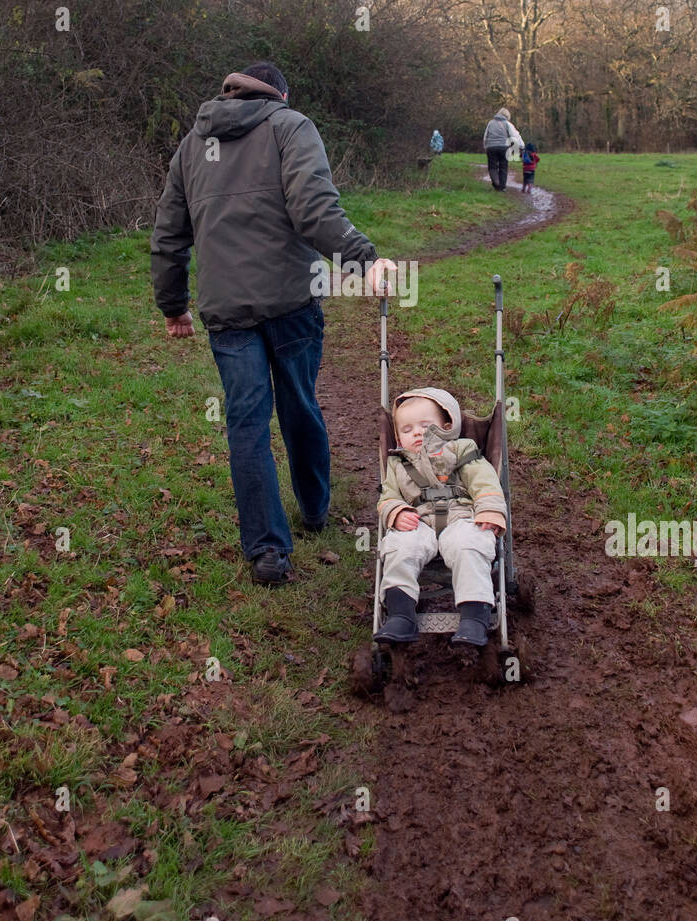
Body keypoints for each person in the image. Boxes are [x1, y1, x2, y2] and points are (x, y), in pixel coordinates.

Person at [151, 60, 396, 587]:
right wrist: (363, 258)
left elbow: (169, 233)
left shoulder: (194, 143)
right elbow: (313, 209)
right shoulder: (290, 126)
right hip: (291, 301)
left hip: (226, 312)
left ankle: (266, 551)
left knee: (246, 423)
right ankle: (314, 510)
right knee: (300, 404)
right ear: (279, 95)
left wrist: (173, 305)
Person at [375, 388, 506, 648]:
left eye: (426, 426)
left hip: (461, 517)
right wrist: (396, 512)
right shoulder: (397, 464)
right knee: (399, 546)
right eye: (407, 429)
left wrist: (489, 510)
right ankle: (401, 614)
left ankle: (474, 616)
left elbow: (485, 482)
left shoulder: (462, 450)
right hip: (418, 521)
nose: (417, 433)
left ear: (447, 426)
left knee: (470, 543)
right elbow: (388, 496)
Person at [483, 106, 524, 190]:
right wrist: (521, 146)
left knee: (492, 166)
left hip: (491, 147)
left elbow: (485, 136)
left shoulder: (490, 123)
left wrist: (485, 146)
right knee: (503, 166)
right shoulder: (507, 124)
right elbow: (515, 135)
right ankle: (502, 186)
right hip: (503, 147)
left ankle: (496, 182)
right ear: (507, 116)